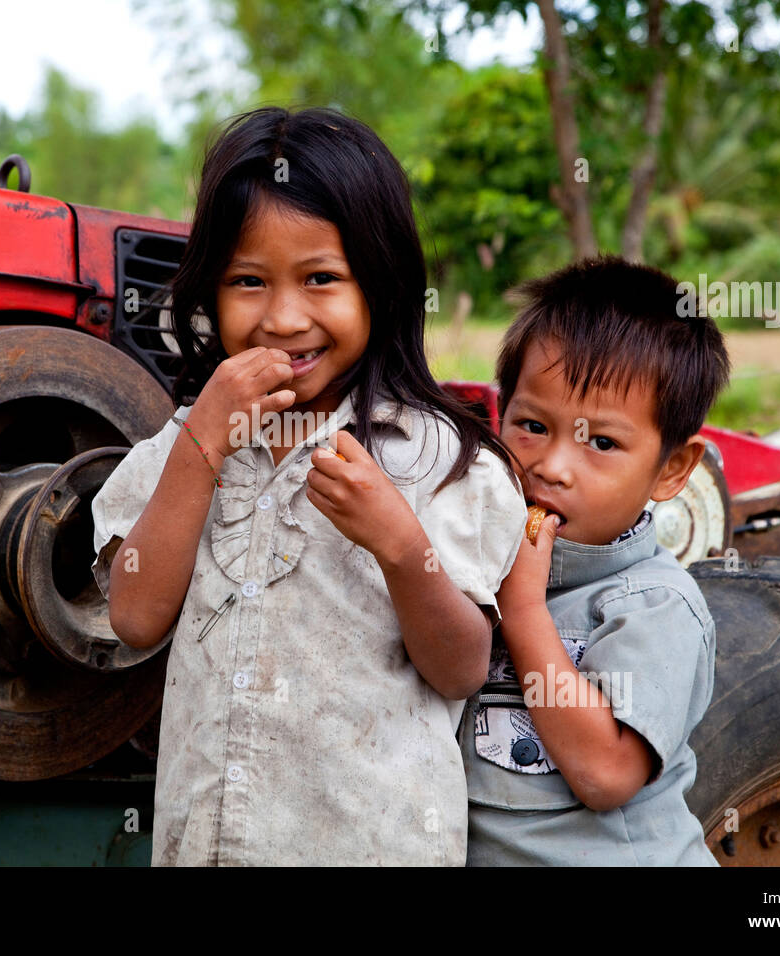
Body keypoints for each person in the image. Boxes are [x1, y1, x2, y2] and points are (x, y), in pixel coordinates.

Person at [90, 106, 527, 865]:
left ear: (381, 286)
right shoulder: (184, 441)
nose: (283, 318)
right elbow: (134, 614)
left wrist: (399, 544)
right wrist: (204, 443)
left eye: (321, 279)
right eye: (248, 282)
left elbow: (460, 667)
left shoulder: (439, 460)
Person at [463, 255, 731, 866]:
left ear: (671, 469)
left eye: (602, 443)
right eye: (531, 425)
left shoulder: (655, 605)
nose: (552, 466)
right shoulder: (474, 559)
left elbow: (606, 774)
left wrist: (524, 611)